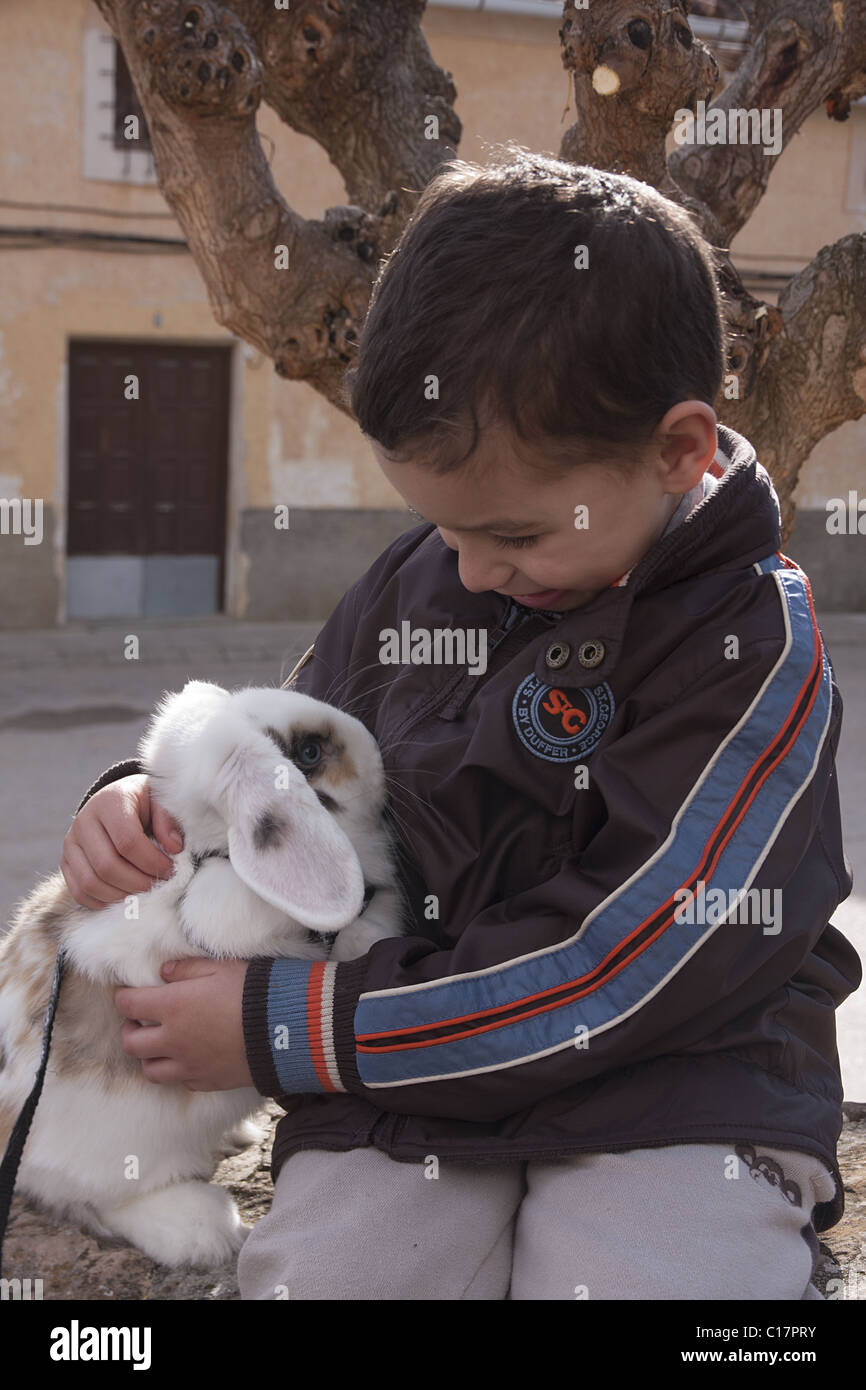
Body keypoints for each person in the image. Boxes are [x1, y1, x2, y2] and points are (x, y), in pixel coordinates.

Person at [62, 149, 861, 1301]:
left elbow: (624, 968)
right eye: (442, 529)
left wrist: (303, 1029)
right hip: (402, 1093)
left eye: (519, 536)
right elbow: (290, 769)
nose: (474, 570)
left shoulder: (749, 651)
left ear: (677, 450)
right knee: (338, 1278)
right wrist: (142, 803)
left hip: (680, 1084)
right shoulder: (419, 578)